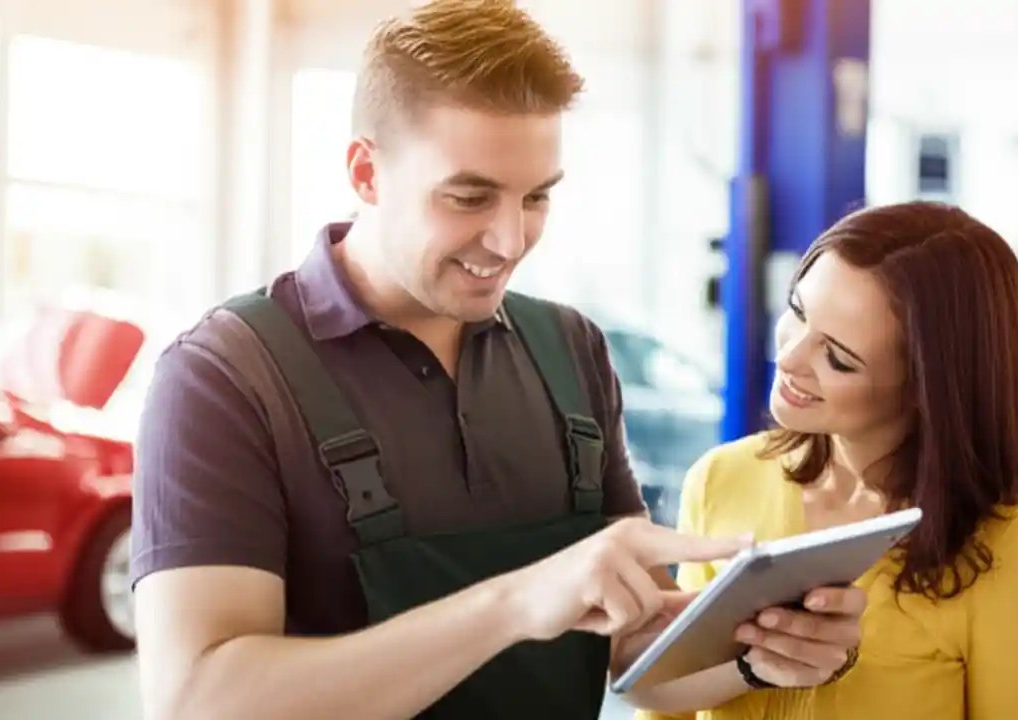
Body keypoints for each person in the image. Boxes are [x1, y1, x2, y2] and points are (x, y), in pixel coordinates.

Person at [128, 2, 865, 719]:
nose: (510, 241)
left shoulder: (572, 351)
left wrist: (753, 648)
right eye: (469, 197)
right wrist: (515, 603)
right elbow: (199, 700)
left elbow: (630, 659)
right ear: (365, 173)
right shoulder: (225, 377)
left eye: (536, 197)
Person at [625, 202, 1018, 719]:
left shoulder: (1005, 551)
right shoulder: (723, 478)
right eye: (796, 311)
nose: (789, 358)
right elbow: (662, 705)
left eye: (837, 357)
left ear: (927, 390)